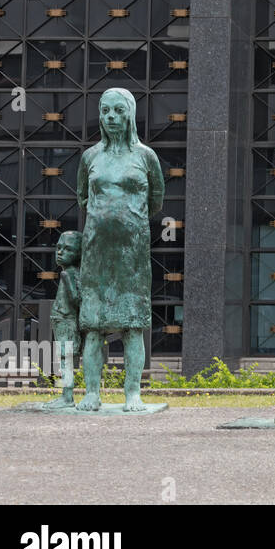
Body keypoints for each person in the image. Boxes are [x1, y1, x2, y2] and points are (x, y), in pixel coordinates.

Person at [75, 87, 164, 412]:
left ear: (130, 114)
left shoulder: (145, 157)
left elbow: (156, 199)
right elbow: (84, 198)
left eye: (118, 110)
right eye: (105, 110)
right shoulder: (90, 157)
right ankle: (92, 393)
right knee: (94, 326)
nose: (111, 117)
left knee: (132, 324)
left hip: (133, 255)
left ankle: (133, 393)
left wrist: (128, 221)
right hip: (97, 253)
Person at [44, 231, 82, 408]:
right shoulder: (69, 272)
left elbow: (75, 298)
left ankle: (67, 397)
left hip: (66, 319)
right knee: (65, 359)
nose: (60, 253)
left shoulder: (69, 274)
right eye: (58, 248)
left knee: (66, 360)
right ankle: (66, 396)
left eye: (67, 249)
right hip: (61, 319)